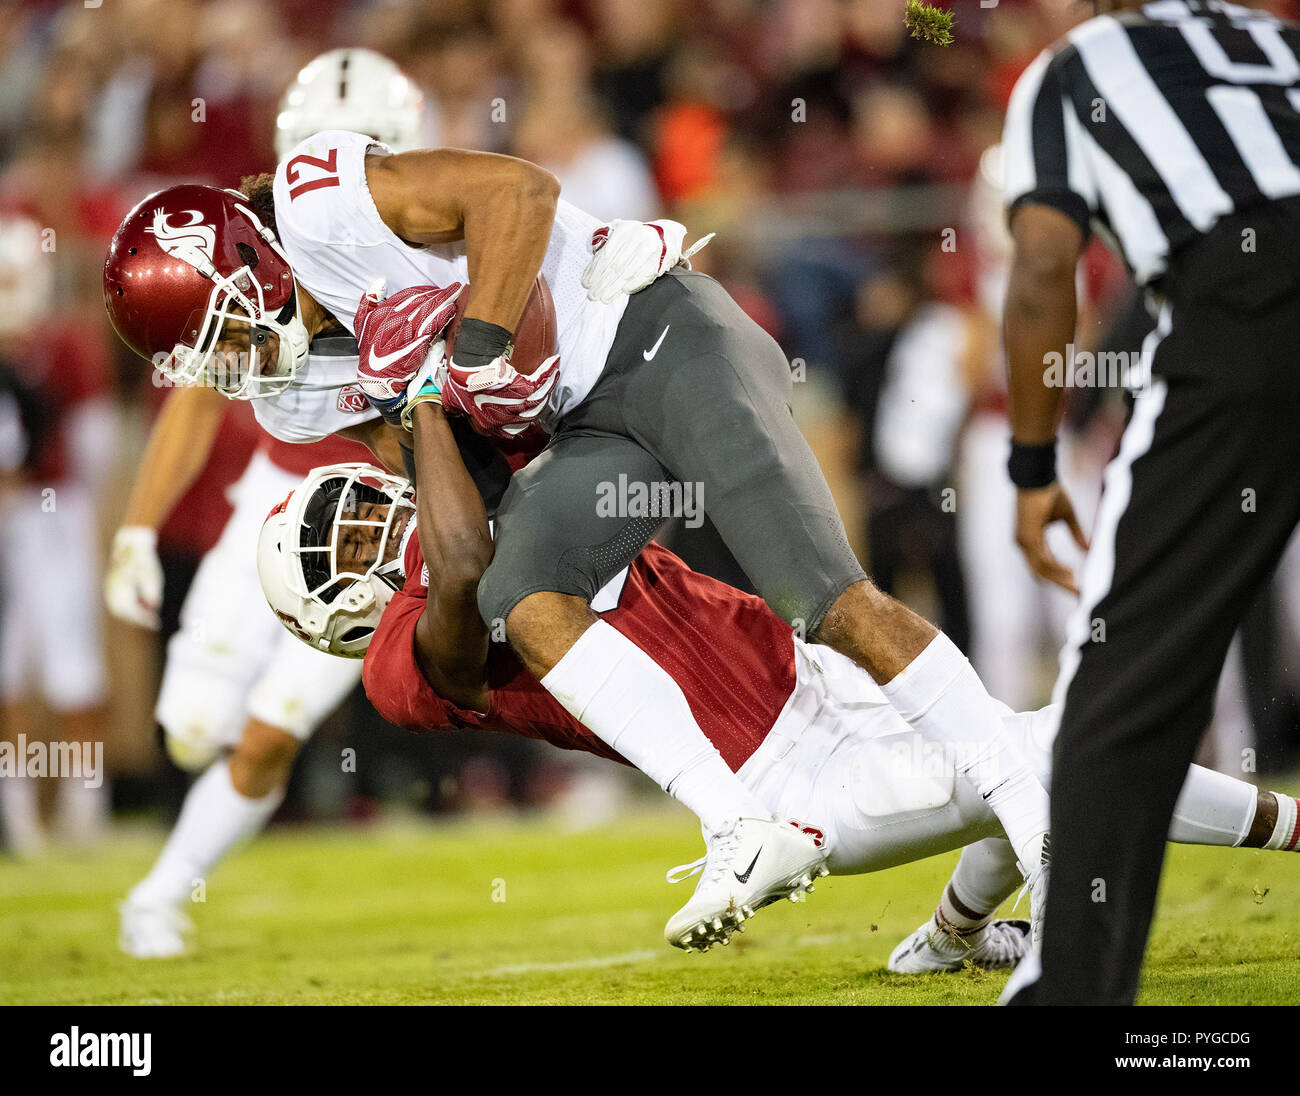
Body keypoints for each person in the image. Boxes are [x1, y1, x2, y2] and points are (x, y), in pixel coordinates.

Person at [102, 133, 1053, 950]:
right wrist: (443, 403)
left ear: (245, 260)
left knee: (824, 600)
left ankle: (1037, 827)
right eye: (204, 358)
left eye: (222, 333)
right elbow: (453, 483)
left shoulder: (323, 206)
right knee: (521, 591)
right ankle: (739, 827)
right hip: (581, 432)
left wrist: (474, 348)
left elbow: (519, 192)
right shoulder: (293, 394)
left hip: (650, 334)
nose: (233, 367)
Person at [256, 424, 1300, 965]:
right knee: (1069, 749)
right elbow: (459, 579)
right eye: (336, 550)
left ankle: (943, 940)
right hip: (794, 774)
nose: (361, 530)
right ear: (332, 616)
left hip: (816, 671)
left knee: (1017, 752)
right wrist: (426, 411)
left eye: (347, 511)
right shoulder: (401, 665)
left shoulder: (484, 497)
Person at [1000, 0, 1300, 1002]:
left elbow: (1045, 265)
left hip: (1242, 308)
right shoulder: (1279, 42)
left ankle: (1075, 991)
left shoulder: (1076, 63)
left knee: (1121, 680)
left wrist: (1032, 466)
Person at [109, 49, 422, 958]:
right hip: (273, 503)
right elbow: (198, 397)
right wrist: (137, 527)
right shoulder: (259, 247)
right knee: (192, 730)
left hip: (373, 520)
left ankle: (157, 897)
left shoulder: (430, 246)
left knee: (268, 736)